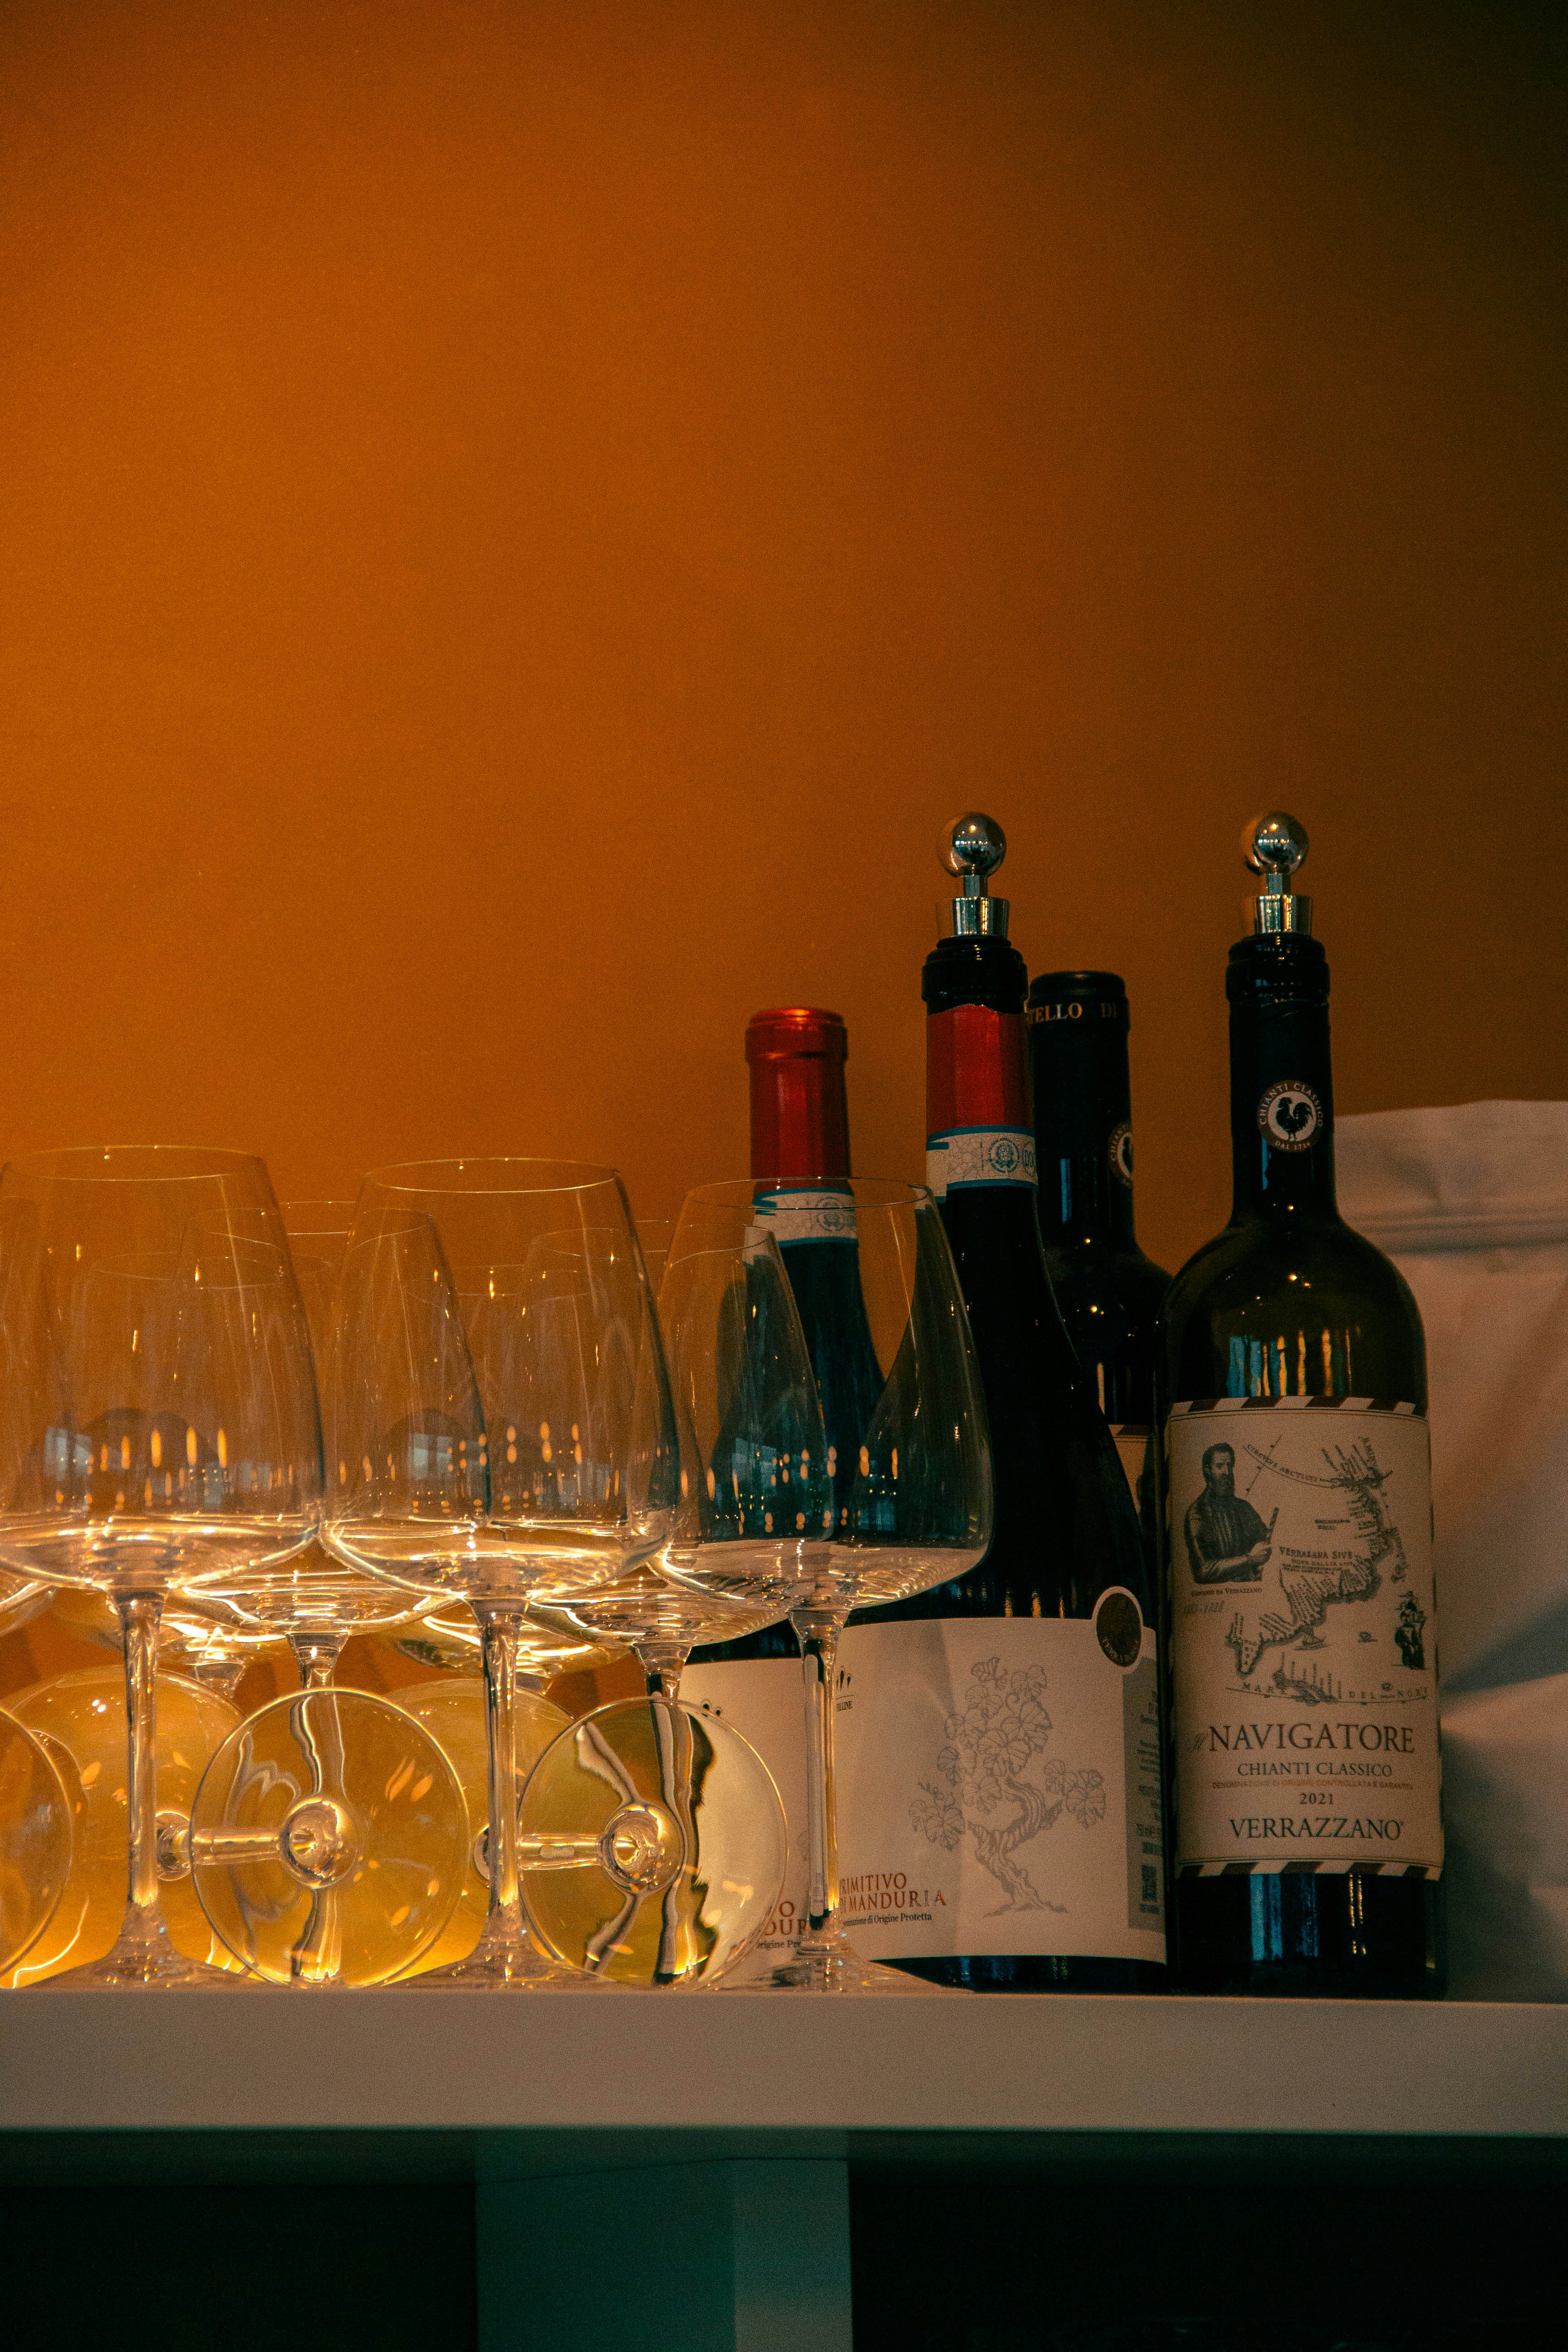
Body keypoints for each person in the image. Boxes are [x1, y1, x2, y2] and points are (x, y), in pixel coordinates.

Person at [1184, 1442, 1273, 1583]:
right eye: (1220, 1467)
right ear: (1208, 1470)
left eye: (1230, 1466)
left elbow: (1263, 1543)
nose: (1227, 1472)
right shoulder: (1198, 1513)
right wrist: (1249, 1559)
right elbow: (1203, 1571)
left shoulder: (1244, 1508)